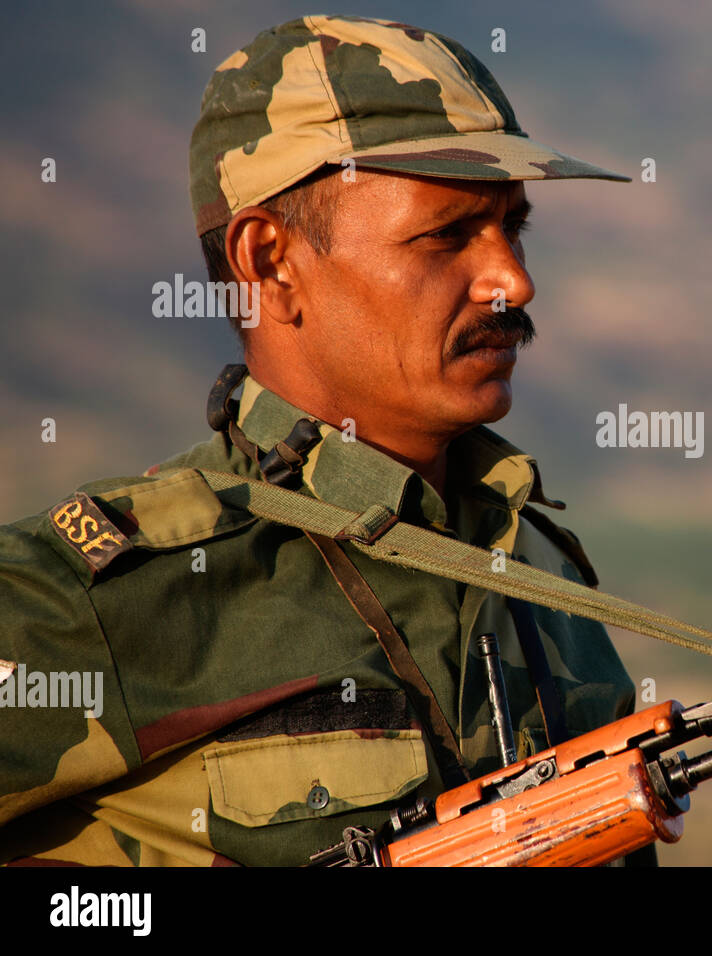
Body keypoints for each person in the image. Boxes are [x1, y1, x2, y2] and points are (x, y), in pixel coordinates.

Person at [0, 14, 650, 866]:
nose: (511, 279)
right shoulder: (91, 599)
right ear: (270, 261)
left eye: (512, 228)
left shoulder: (535, 578)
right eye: (447, 234)